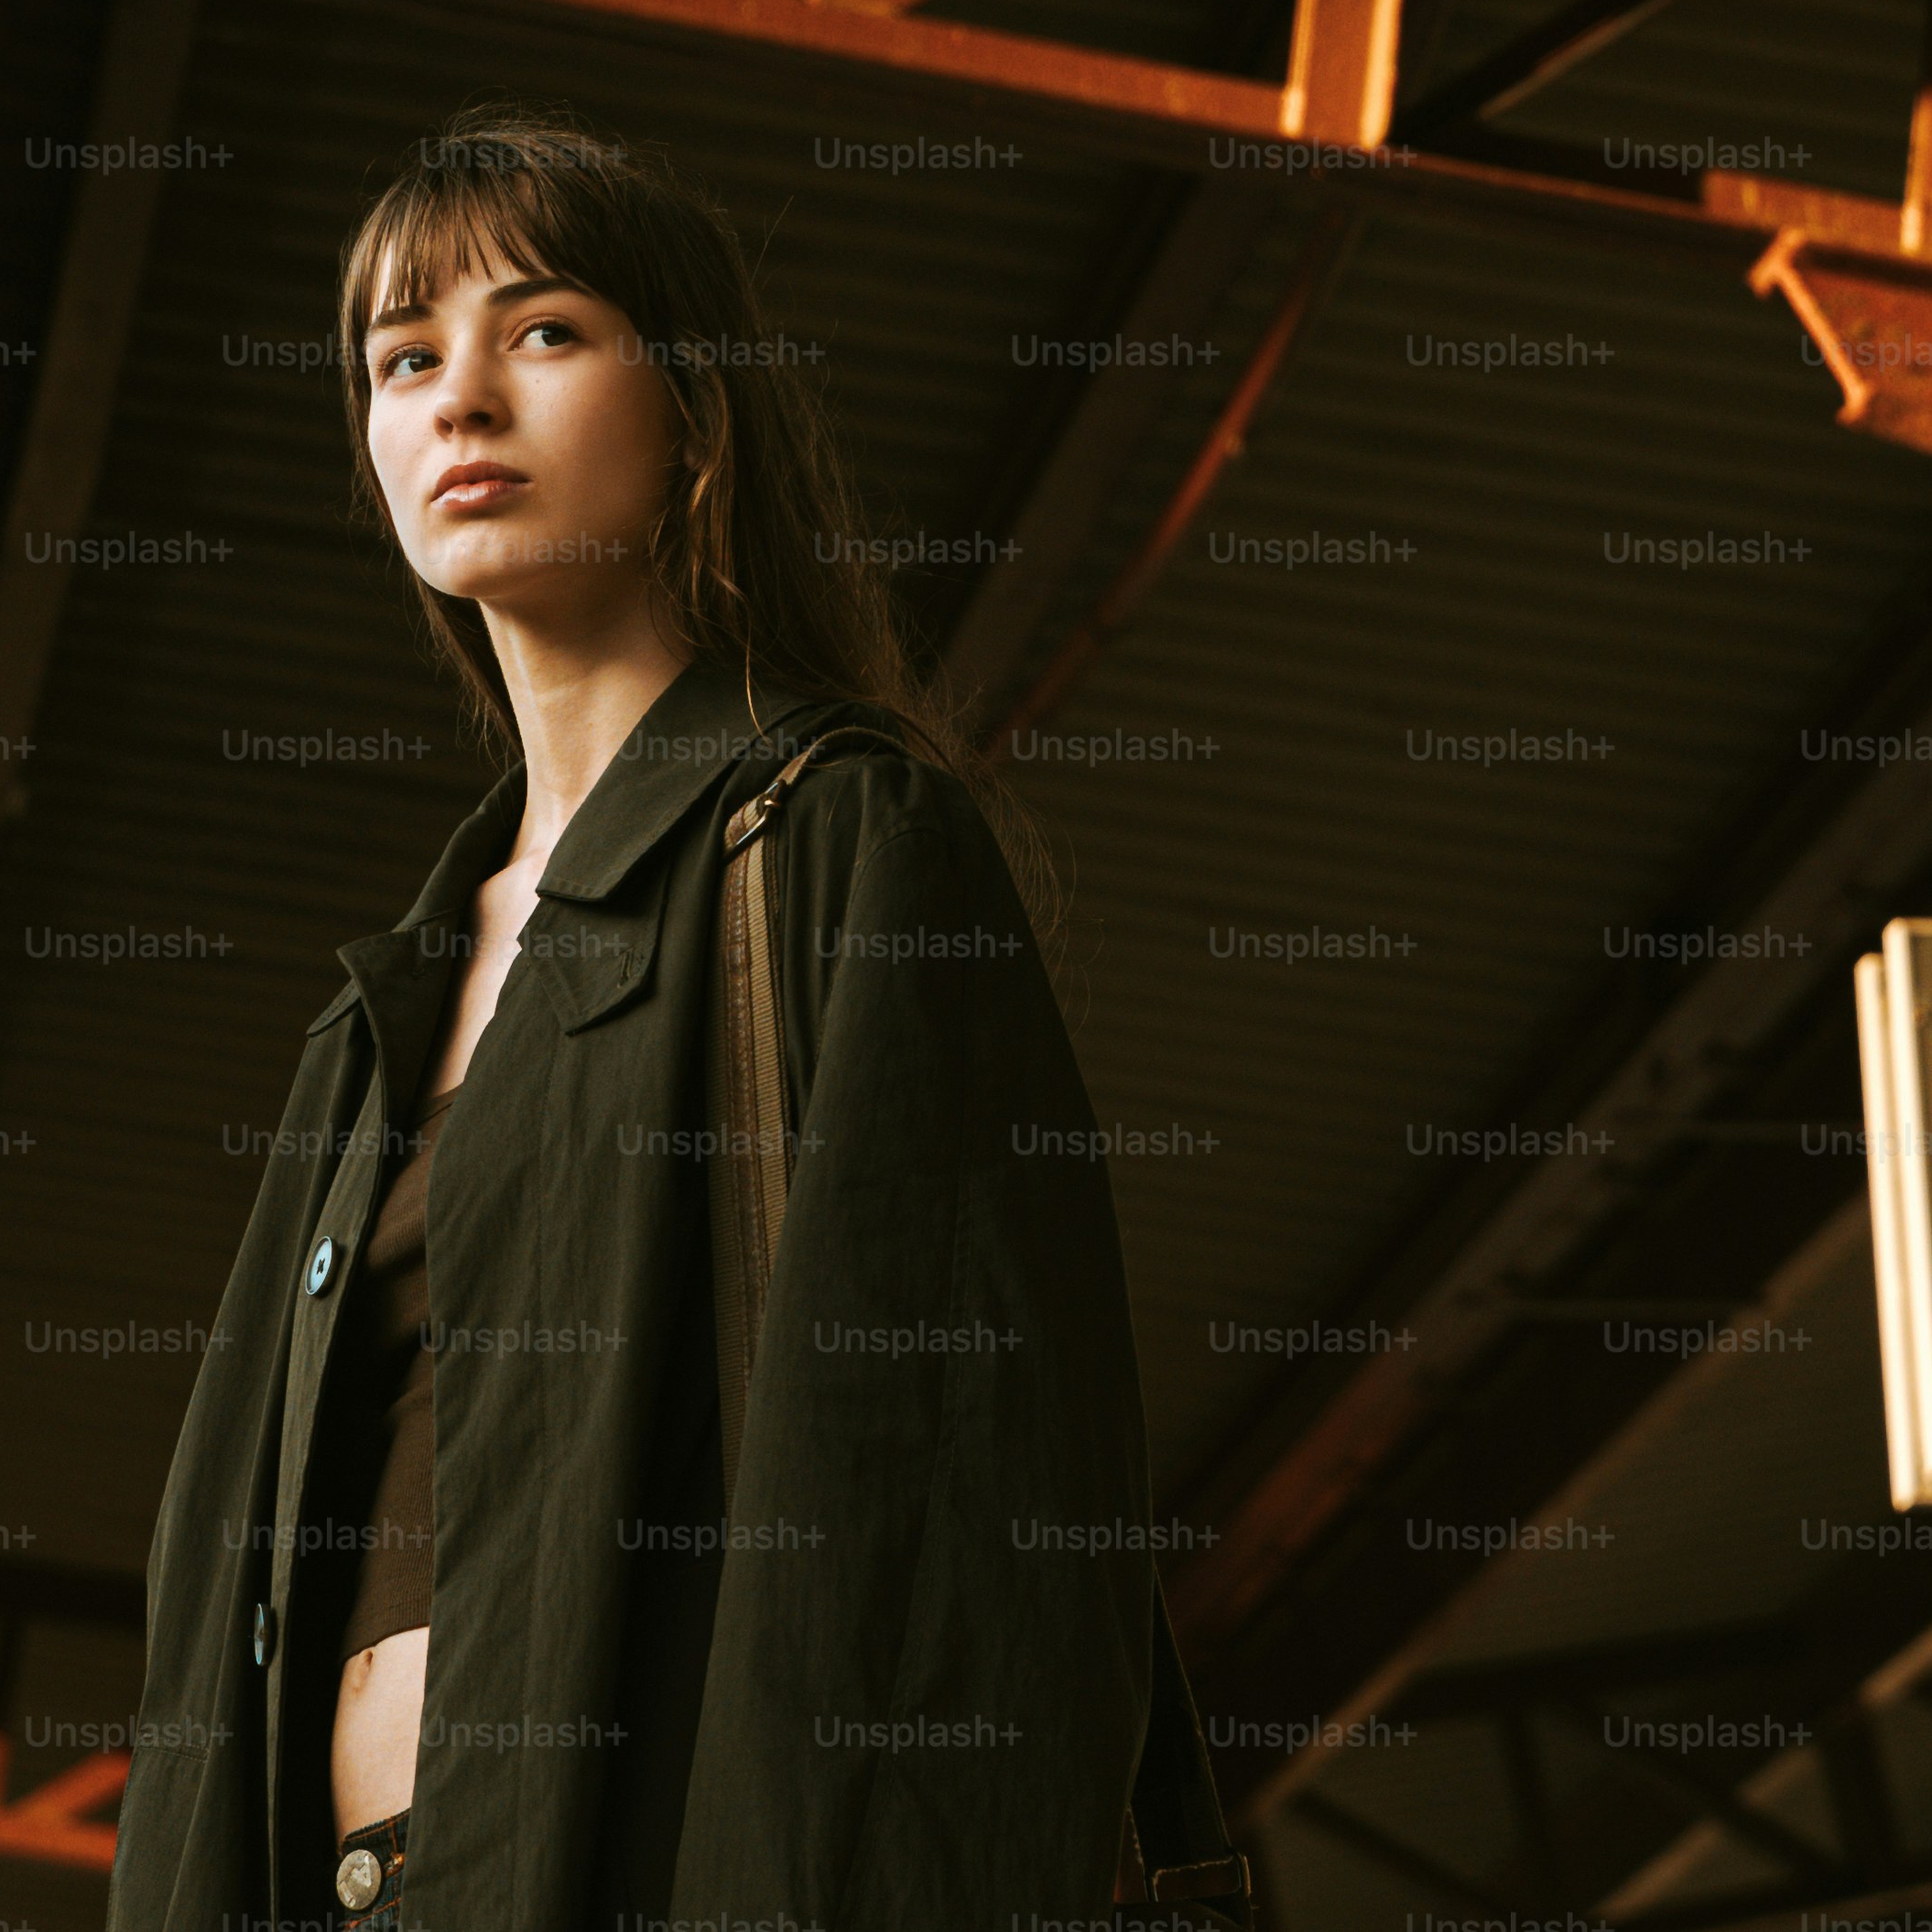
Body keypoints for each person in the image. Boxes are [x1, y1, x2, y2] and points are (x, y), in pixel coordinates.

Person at [109, 106, 1212, 1932]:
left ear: (698, 415)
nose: (456, 398)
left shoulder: (835, 835)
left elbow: (956, 1494)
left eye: (541, 331)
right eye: (402, 358)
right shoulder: (376, 1011)